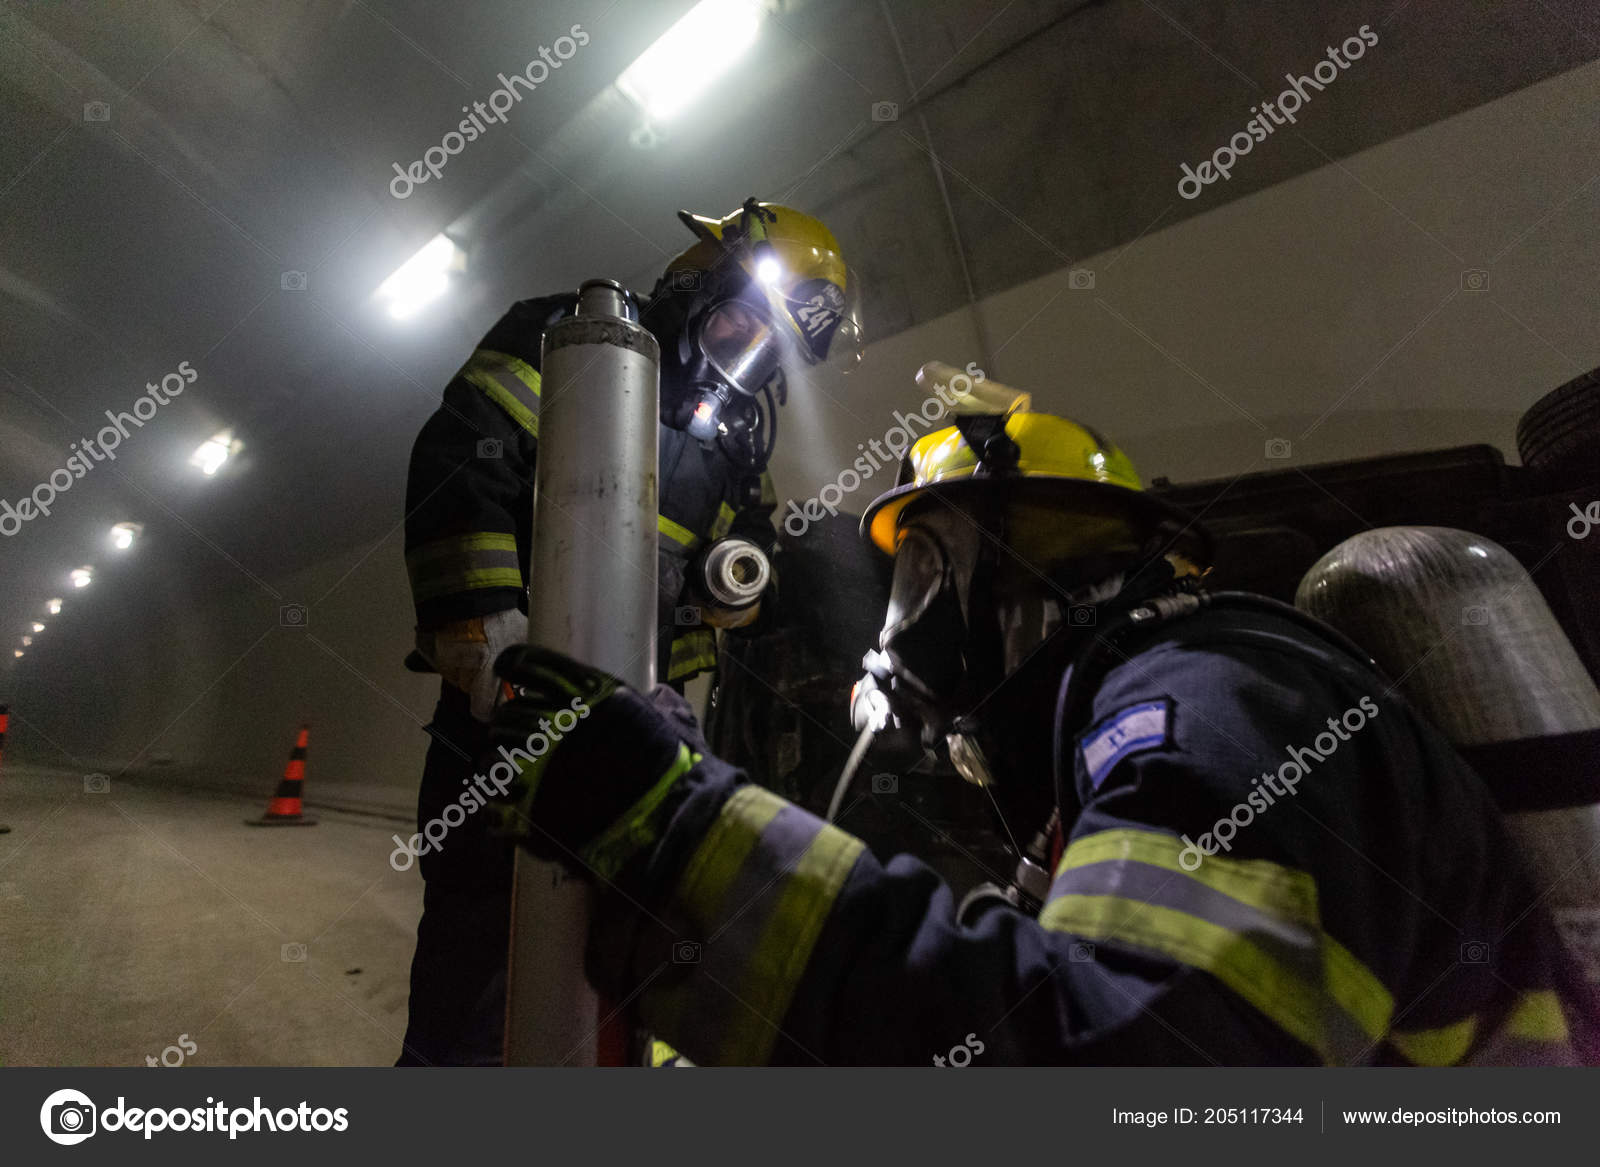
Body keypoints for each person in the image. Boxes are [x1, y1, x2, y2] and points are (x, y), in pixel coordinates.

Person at [486, 408, 1598, 1065]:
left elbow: (1110, 1059)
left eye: (915, 572)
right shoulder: (1152, 713)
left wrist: (678, 833)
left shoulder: (1204, 714)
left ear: (1001, 568)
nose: (898, 631)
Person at [396, 199, 858, 1065]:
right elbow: (465, 460)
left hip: (637, 731)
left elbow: (736, 542)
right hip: (509, 724)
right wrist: (486, 632)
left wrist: (737, 579)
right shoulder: (565, 343)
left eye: (767, 350)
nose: (744, 357)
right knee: (476, 988)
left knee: (608, 974)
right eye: (739, 324)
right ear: (695, 288)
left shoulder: (726, 441)